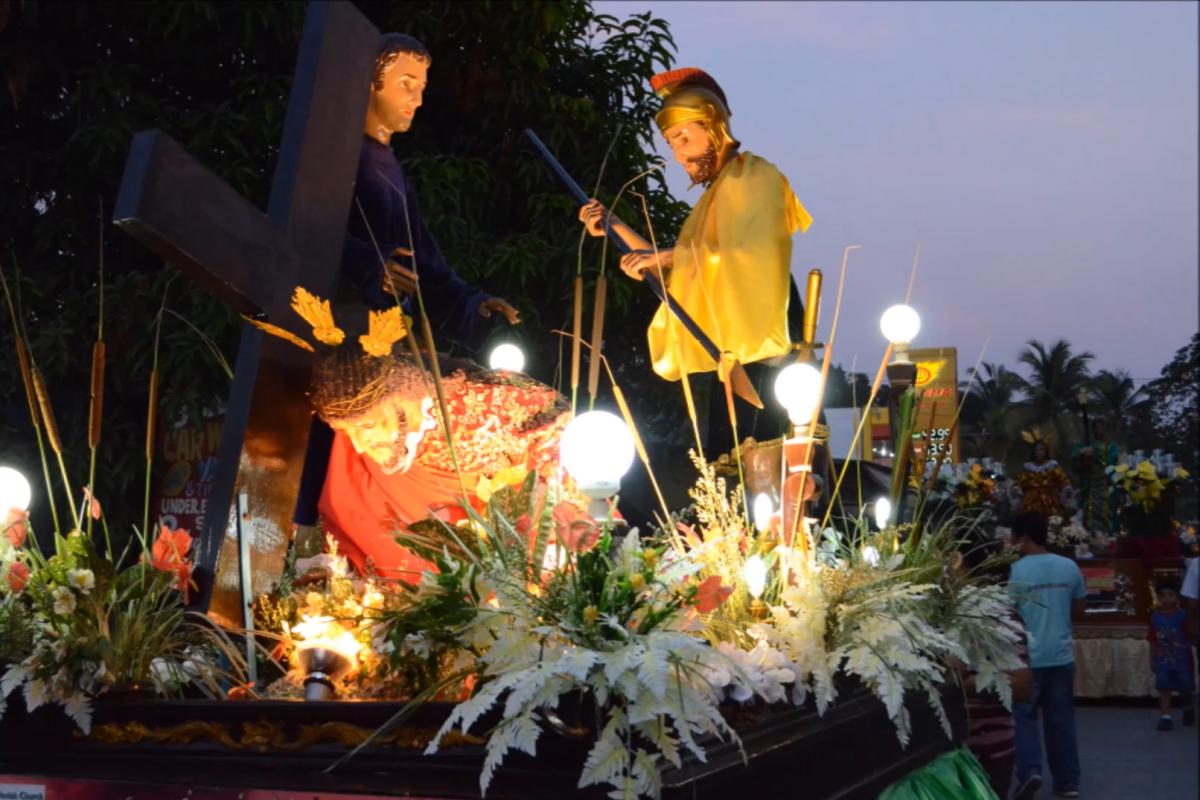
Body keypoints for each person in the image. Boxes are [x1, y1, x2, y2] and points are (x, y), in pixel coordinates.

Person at [294, 33, 520, 540]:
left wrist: (472, 302)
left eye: (421, 86)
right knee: (333, 453)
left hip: (387, 340)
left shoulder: (391, 169)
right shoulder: (337, 156)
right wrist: (366, 265)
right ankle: (311, 544)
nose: (417, 98)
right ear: (368, 84)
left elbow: (424, 260)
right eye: (405, 84)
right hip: (340, 339)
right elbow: (309, 229)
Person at [577, 67, 812, 456]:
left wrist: (668, 256)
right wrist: (614, 226)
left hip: (768, 340)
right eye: (671, 142)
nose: (679, 151)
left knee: (768, 456)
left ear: (715, 126)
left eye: (686, 136)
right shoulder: (717, 193)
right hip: (731, 348)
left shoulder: (754, 176)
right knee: (724, 458)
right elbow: (684, 263)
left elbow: (752, 252)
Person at [307, 344, 572, 582]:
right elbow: (349, 505)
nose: (360, 444)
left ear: (400, 398)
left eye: (368, 426)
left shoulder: (479, 408)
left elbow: (555, 416)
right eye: (345, 430)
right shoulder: (363, 433)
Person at [1008, 511, 1086, 798]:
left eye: (1013, 537)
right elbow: (1079, 610)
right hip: (1061, 656)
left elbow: (1007, 615)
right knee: (1061, 720)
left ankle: (1031, 772)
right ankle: (1068, 782)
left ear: (1023, 537)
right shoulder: (1069, 567)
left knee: (1024, 718)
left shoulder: (1015, 571)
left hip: (1027, 659)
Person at [1147, 579, 1195, 730]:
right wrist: (1152, 658)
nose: (1166, 599)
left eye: (1170, 595)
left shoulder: (1183, 615)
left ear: (1177, 597)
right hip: (1163, 660)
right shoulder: (1155, 616)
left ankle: (1188, 707)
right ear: (1157, 597)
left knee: (1185, 687)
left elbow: (1190, 636)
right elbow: (1153, 639)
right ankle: (1165, 717)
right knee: (1164, 687)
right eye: (1162, 595)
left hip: (1182, 659)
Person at [1071, 418, 1120, 535]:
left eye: (1101, 427)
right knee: (1089, 511)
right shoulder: (1085, 445)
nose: (1099, 430)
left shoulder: (1112, 446)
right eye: (1096, 427)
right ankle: (1091, 536)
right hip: (1090, 484)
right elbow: (1075, 463)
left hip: (1106, 484)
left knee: (1108, 511)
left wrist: (1094, 453)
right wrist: (1081, 454)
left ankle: (1110, 535)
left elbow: (1110, 461)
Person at [1015, 435, 1071, 518]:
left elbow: (1063, 480)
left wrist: (1066, 489)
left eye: (1042, 450)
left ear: (1046, 452)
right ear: (1033, 452)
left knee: (1052, 520)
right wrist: (1016, 488)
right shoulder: (1028, 468)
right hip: (1031, 501)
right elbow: (1019, 481)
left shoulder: (1052, 466)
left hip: (1051, 500)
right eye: (1036, 450)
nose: (1039, 453)